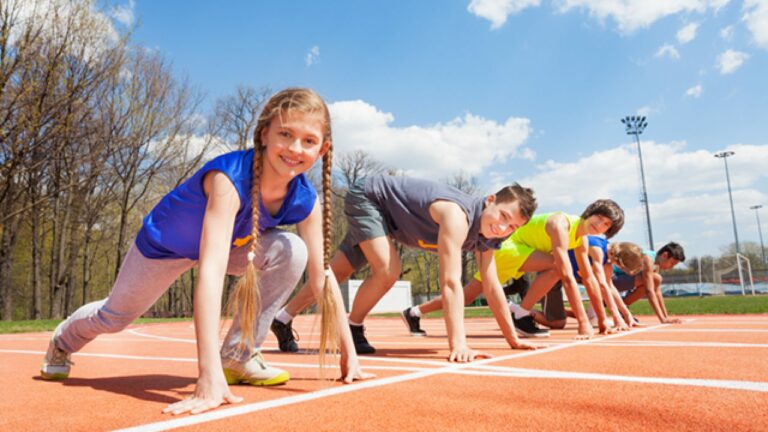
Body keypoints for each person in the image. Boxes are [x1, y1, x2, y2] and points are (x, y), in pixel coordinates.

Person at [40, 88, 372, 416]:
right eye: (285, 134)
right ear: (264, 134)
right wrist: (207, 377)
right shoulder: (229, 179)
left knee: (291, 250)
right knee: (113, 318)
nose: (295, 148)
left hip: (233, 248)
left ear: (323, 148)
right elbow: (211, 273)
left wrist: (348, 354)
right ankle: (63, 340)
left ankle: (238, 355)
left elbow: (321, 277)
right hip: (165, 247)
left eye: (309, 141)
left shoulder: (305, 199)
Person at [271, 176, 541, 361]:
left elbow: (491, 286)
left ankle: (282, 318)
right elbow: (450, 282)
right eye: (503, 216)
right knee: (388, 270)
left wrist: (512, 338)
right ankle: (353, 327)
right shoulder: (457, 216)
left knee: (336, 273)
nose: (503, 228)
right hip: (370, 199)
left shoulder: (491, 237)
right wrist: (458, 343)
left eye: (513, 227)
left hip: (391, 221)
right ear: (490, 200)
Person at [530, 239, 644, 332]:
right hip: (550, 274)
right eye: (622, 267)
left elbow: (610, 287)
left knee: (559, 322)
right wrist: (617, 317)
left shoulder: (608, 258)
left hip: (565, 276)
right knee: (557, 323)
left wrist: (627, 315)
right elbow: (602, 285)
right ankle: (517, 311)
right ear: (619, 260)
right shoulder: (597, 250)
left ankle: (524, 310)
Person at [614, 242, 685, 324]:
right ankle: (621, 309)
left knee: (656, 280)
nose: (671, 267)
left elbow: (657, 291)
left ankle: (622, 309)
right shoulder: (648, 259)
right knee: (656, 279)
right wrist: (662, 319)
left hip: (620, 280)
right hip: (611, 278)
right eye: (672, 263)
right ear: (665, 255)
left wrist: (666, 317)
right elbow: (649, 290)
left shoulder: (655, 262)